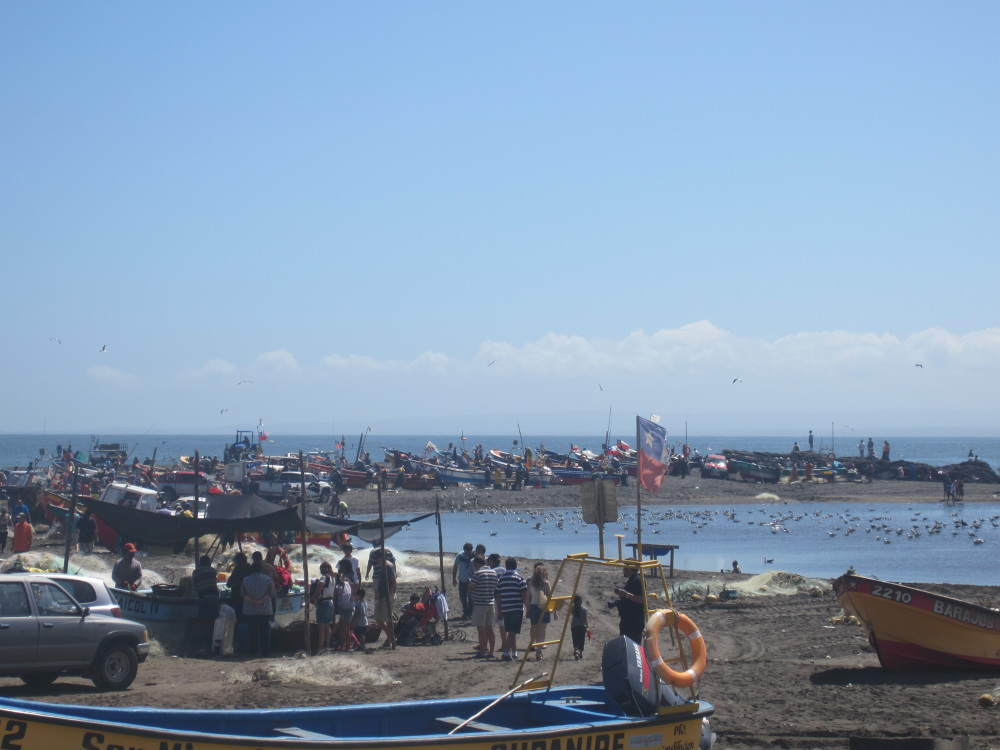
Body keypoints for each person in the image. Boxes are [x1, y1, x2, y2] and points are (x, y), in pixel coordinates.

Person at [241, 559, 276, 657]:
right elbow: (271, 593)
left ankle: (253, 651)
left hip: (250, 609)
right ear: (261, 569)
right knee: (264, 630)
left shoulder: (245, 579)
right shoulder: (268, 579)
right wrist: (260, 601)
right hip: (265, 608)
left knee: (252, 631)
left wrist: (253, 601)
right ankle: (265, 651)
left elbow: (243, 594)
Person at [468, 556, 498, 658]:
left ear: (477, 564)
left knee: (481, 629)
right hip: (491, 603)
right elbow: (495, 587)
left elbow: (471, 588)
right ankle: (491, 652)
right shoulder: (493, 573)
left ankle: (482, 652)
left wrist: (469, 586)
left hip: (480, 603)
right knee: (490, 628)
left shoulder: (477, 574)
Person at [370, 548, 397, 649]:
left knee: (387, 618)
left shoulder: (388, 566)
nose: (375, 560)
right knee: (378, 617)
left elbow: (393, 582)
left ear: (381, 557)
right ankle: (390, 636)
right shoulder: (383, 566)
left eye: (376, 558)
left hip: (387, 596)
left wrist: (389, 594)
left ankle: (390, 639)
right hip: (382, 595)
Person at [614, 560, 645, 644]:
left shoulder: (638, 581)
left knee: (634, 645)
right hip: (627, 618)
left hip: (634, 620)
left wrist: (626, 594)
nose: (623, 570)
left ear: (630, 569)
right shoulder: (631, 580)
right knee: (624, 644)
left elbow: (642, 600)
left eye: (625, 568)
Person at [527, 563, 553, 660]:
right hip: (544, 607)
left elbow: (527, 598)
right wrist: (554, 611)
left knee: (534, 627)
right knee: (542, 629)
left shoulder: (531, 583)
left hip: (533, 606)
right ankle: (539, 650)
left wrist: (527, 609)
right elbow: (551, 597)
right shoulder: (546, 583)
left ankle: (533, 644)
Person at [311, 561, 336, 651]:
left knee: (321, 626)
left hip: (323, 603)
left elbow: (318, 591)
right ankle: (327, 646)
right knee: (327, 626)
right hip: (330, 602)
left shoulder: (324, 578)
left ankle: (320, 647)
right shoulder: (333, 578)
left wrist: (312, 598)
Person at [452, 542, 475, 619]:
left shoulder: (474, 556)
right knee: (462, 597)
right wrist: (454, 579)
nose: (468, 553)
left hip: (471, 581)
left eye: (469, 551)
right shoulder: (460, 555)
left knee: (470, 598)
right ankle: (466, 612)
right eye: (466, 551)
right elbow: (455, 567)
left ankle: (470, 613)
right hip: (462, 580)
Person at [192, 554, 220, 618]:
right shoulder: (214, 571)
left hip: (203, 596)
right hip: (215, 596)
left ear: (200, 563)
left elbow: (195, 586)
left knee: (203, 618)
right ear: (209, 563)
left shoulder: (196, 572)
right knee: (214, 618)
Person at [570, 594, 589, 660]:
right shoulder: (584, 609)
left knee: (575, 639)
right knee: (581, 640)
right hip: (582, 626)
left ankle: (576, 651)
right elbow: (585, 619)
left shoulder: (572, 609)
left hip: (574, 626)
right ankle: (580, 653)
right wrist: (587, 627)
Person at [352, 587, 369, 652]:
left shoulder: (361, 604)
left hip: (361, 622)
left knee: (361, 634)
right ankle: (361, 645)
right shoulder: (362, 602)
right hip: (362, 621)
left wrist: (355, 614)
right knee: (359, 633)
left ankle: (363, 645)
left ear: (359, 596)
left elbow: (362, 612)